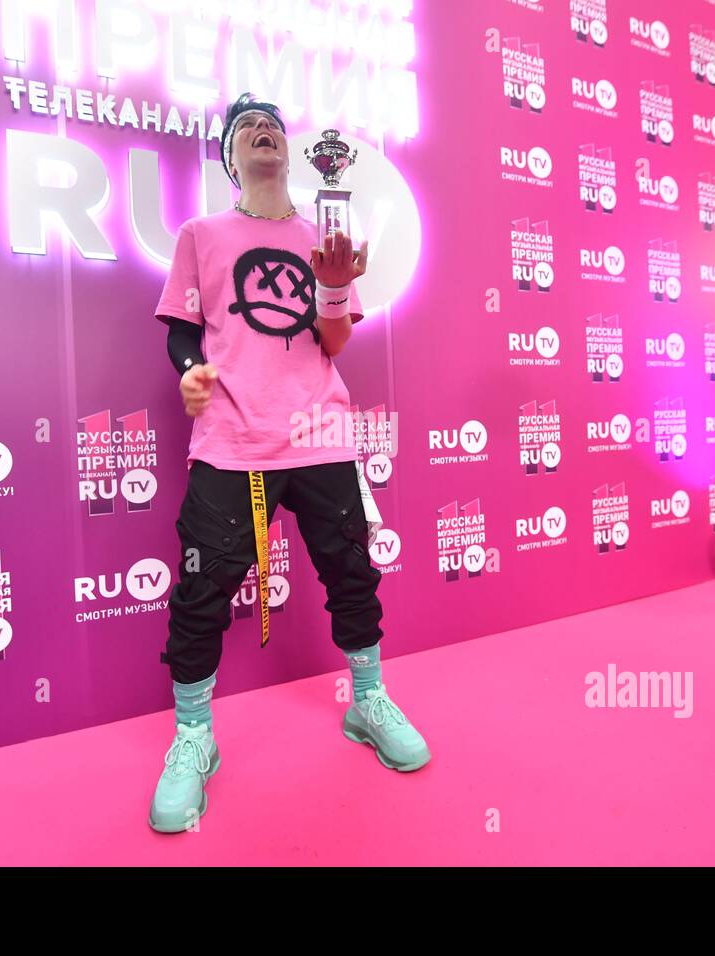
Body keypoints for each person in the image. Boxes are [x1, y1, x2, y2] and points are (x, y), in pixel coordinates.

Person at [147, 92, 430, 833]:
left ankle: (367, 702)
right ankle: (193, 739)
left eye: (271, 123)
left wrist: (334, 285)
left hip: (319, 433)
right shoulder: (201, 234)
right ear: (229, 158)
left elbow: (333, 343)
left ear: (287, 147)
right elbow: (180, 329)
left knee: (350, 570)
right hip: (232, 439)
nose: (262, 131)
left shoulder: (321, 235)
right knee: (204, 590)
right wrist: (190, 371)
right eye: (246, 128)